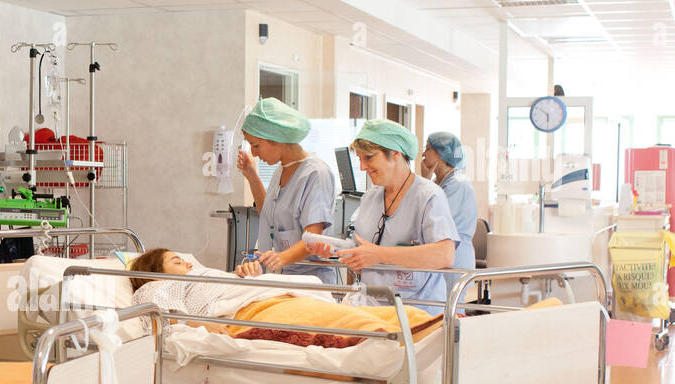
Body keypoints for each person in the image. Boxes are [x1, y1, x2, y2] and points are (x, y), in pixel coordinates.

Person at [126, 247, 442, 343]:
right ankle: (409, 340)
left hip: (277, 297)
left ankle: (434, 326)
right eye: (176, 261)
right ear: (155, 271)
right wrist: (205, 327)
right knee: (345, 322)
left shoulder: (202, 273)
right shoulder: (158, 286)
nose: (187, 260)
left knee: (387, 314)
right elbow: (163, 319)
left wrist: (245, 276)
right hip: (250, 313)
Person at [310, 119, 459, 315]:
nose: (363, 167)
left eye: (369, 158)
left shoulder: (428, 196)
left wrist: (379, 254)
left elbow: (445, 255)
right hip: (371, 308)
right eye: (360, 159)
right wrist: (336, 253)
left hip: (415, 312)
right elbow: (364, 253)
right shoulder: (371, 197)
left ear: (396, 153)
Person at [235, 98, 337, 283]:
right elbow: (268, 214)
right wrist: (251, 175)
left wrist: (279, 258)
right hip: (281, 276)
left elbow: (313, 237)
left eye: (256, 145)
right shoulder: (281, 169)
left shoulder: (315, 174)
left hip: (310, 280)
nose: (254, 153)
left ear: (277, 139)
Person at [420, 131, 478, 295]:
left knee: (451, 313)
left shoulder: (458, 184)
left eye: (428, 149)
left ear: (441, 153)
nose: (423, 154)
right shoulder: (439, 182)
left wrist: (423, 181)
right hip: (444, 256)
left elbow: (432, 217)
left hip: (456, 257)